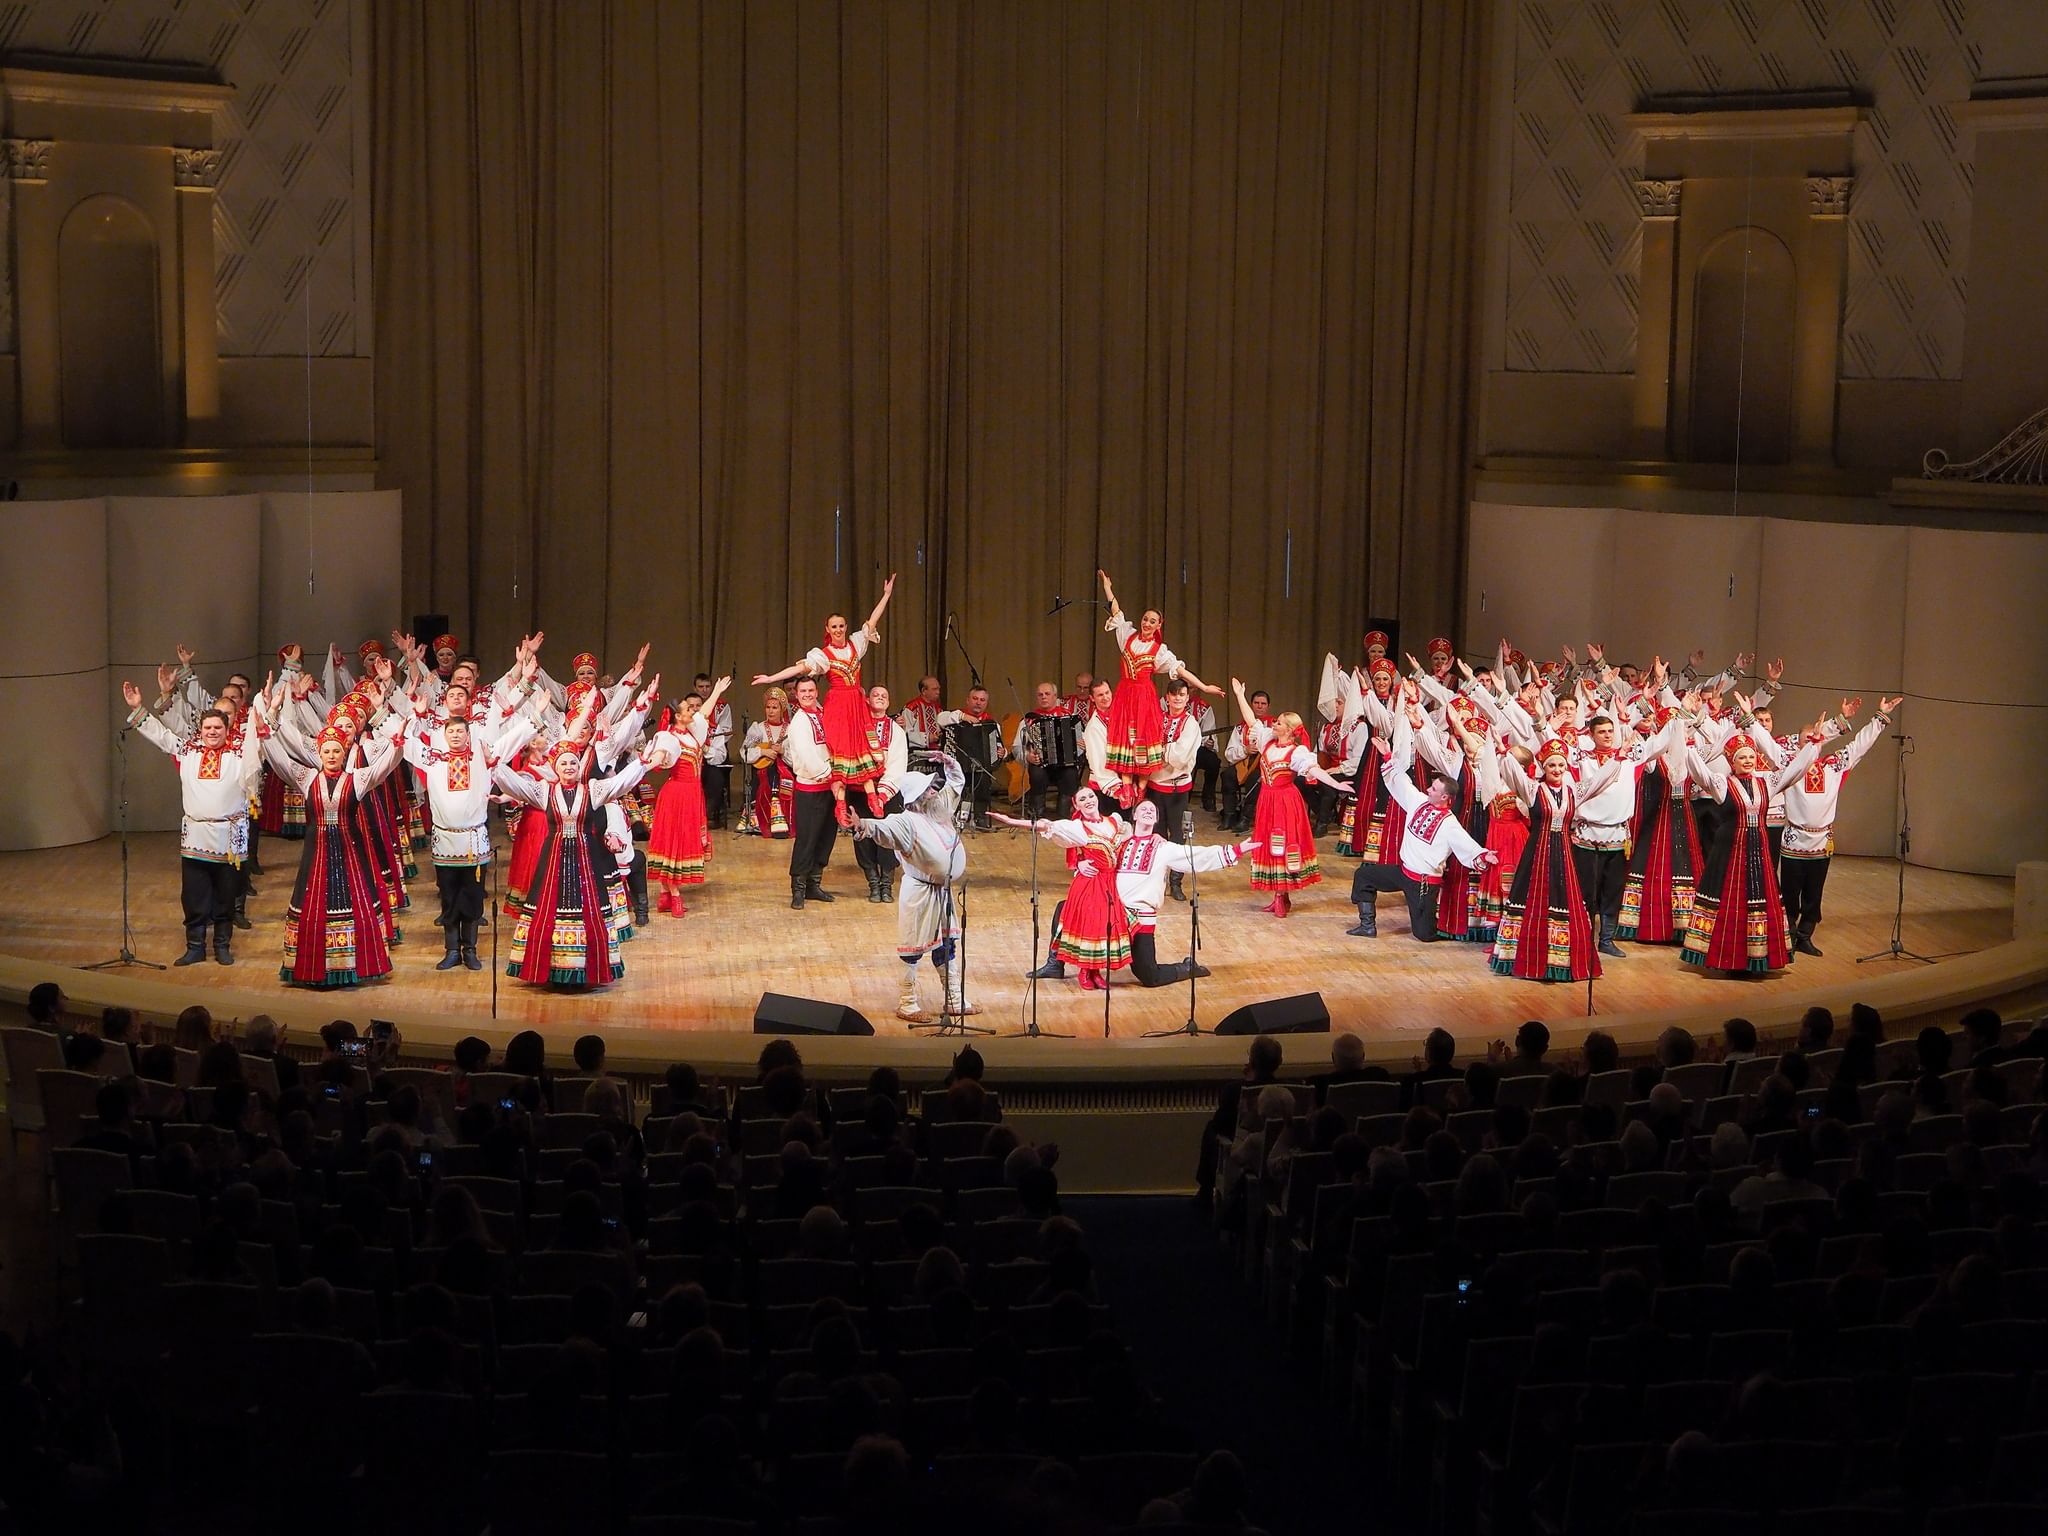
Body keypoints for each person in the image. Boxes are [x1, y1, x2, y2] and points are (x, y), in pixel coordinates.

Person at [252, 679, 404, 988]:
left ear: (344, 750)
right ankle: (311, 967)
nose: (331, 755)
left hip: (349, 849)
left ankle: (354, 965)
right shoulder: (307, 777)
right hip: (317, 850)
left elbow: (389, 762)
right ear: (319, 753)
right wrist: (268, 724)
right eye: (326, 751)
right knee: (313, 903)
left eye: (336, 750)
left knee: (354, 901)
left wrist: (395, 735)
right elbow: (280, 761)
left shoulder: (358, 779)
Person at [492, 704, 654, 989]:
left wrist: (642, 764)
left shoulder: (593, 790)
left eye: (574, 763)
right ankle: (551, 969)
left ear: (580, 768)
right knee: (548, 909)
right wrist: (495, 766)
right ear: (556, 768)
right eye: (564, 763)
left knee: (588, 909)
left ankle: (586, 969)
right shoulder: (545, 791)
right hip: (553, 858)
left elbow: (620, 782)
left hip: (584, 858)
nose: (569, 766)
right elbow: (515, 785)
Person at [404, 660, 541, 969]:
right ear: (444, 733)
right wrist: (411, 712)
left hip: (474, 842)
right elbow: (404, 740)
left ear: (468, 734)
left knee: (473, 896)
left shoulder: (482, 755)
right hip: (444, 842)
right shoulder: (433, 758)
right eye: (450, 732)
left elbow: (512, 738)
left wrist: (535, 712)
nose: (455, 736)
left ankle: (470, 950)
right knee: (449, 897)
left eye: (460, 733)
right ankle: (451, 950)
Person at [123, 678, 262, 966]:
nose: (212, 732)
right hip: (196, 836)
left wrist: (269, 706)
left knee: (226, 895)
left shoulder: (239, 754)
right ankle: (195, 947)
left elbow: (260, 739)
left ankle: (222, 946)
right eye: (208, 727)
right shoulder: (188, 751)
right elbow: (161, 735)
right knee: (194, 895)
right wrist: (139, 709)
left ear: (227, 729)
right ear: (201, 729)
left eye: (218, 728)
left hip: (229, 836)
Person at [751, 573, 899, 827]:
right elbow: (798, 669)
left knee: (860, 749)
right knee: (841, 753)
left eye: (842, 625)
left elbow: (872, 622)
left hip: (856, 704)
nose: (839, 630)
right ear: (828, 630)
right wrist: (770, 678)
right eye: (834, 627)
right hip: (839, 706)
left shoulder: (856, 644)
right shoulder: (824, 655)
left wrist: (885, 595)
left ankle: (873, 796)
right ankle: (840, 804)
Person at [1488, 734, 1636, 983]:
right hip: (1537, 854)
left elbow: (1598, 781)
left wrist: (1618, 757)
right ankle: (1526, 958)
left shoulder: (1573, 792)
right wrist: (1503, 752)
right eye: (1551, 765)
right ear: (1543, 768)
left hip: (1563, 854)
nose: (1556, 770)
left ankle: (1561, 960)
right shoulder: (1533, 789)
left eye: (1560, 765)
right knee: (1531, 900)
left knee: (1564, 900)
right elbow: (1514, 774)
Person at [1681, 725, 1822, 976]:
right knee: (1729, 898)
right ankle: (1728, 957)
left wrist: (1813, 745)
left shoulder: (1767, 782)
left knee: (1758, 898)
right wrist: (1688, 744)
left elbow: (1795, 770)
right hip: (1729, 850)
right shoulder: (1721, 783)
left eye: (1750, 757)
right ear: (1732, 762)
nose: (1747, 761)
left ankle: (1758, 957)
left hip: (1757, 848)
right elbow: (1699, 772)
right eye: (1741, 757)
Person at [1346, 710, 1497, 940]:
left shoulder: (1449, 824)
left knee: (1424, 935)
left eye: (1434, 789)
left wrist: (1484, 856)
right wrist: (1387, 756)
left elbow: (1468, 847)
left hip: (1423, 883)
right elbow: (1401, 782)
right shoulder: (1419, 802)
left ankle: (1432, 921)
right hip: (1403, 872)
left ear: (1446, 797)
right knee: (1364, 875)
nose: (1428, 790)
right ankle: (1367, 925)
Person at [846, 754, 976, 1021]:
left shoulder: (937, 809)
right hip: (919, 893)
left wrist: (949, 762)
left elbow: (955, 783)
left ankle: (953, 998)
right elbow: (881, 828)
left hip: (942, 892)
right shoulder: (905, 821)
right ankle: (908, 1003)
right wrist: (862, 825)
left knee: (947, 944)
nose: (934, 790)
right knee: (913, 950)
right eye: (928, 788)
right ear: (917, 796)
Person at [1774, 695, 1899, 957]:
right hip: (1794, 841)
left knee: (1814, 894)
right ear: (1798, 743)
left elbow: (1859, 746)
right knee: (1789, 892)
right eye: (1807, 738)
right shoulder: (1788, 765)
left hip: (1821, 842)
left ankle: (1805, 936)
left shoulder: (1834, 764)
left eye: (1816, 738)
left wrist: (1880, 718)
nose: (1812, 741)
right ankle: (1788, 937)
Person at [1094, 568, 1224, 808]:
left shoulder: (1160, 652)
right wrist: (1107, 587)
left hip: (1143, 695)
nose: (1146, 623)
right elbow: (1116, 611)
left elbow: (1181, 670)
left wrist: (1204, 686)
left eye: (1152, 621)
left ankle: (1141, 788)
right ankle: (1126, 787)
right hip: (1125, 693)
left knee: (1144, 738)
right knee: (1124, 736)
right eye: (1145, 619)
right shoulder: (1127, 636)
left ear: (1158, 625)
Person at [1228, 678, 1354, 918]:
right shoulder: (1267, 741)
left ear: (1289, 730)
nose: (1274, 724)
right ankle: (1280, 895)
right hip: (1268, 800)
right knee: (1270, 844)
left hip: (1286, 802)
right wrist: (1239, 695)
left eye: (1279, 723)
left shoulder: (1297, 752)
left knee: (1284, 846)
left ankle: (1280, 897)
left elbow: (1314, 770)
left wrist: (1336, 783)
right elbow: (1251, 721)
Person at [996, 787, 1131, 991]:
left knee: (1104, 925)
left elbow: (1131, 837)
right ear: (1076, 805)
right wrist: (1012, 821)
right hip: (1090, 883)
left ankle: (1096, 971)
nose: (1088, 801)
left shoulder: (1114, 821)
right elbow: (1045, 825)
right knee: (1090, 925)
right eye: (1082, 799)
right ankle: (1085, 970)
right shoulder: (1077, 828)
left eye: (1091, 796)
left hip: (1110, 883)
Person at [1111, 799, 1254, 986]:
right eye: (1143, 809)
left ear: (1156, 820)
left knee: (1148, 976)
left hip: (1141, 918)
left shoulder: (1163, 848)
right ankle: (1063, 962)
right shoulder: (1119, 844)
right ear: (1134, 816)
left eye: (1152, 810)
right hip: (1114, 913)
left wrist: (1237, 850)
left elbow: (1196, 856)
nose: (1148, 811)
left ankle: (1187, 968)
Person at [645, 676, 732, 917]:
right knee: (671, 843)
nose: (692, 711)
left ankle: (665, 894)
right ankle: (674, 896)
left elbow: (704, 713)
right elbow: (659, 755)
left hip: (692, 794)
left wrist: (716, 692)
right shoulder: (669, 737)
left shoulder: (693, 733)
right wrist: (651, 761)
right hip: (676, 795)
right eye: (687, 709)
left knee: (681, 842)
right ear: (677, 716)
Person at [780, 677, 839, 910]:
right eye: (802, 691)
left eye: (810, 690)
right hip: (811, 786)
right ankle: (799, 888)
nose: (807, 694)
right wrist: (828, 772)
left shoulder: (824, 713)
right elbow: (805, 754)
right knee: (807, 838)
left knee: (826, 837)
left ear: (817, 692)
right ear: (796, 694)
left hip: (831, 787)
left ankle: (814, 884)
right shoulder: (799, 722)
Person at [1146, 677, 1206, 900]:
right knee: (1157, 834)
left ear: (1187, 698)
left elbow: (1182, 756)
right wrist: (1162, 752)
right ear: (1167, 698)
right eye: (1174, 695)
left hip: (1177, 788)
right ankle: (1158, 878)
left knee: (1178, 836)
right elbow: (1146, 744)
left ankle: (1176, 881)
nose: (1178, 699)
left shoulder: (1190, 724)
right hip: (1155, 786)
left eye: (1182, 695)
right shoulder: (1158, 719)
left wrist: (1161, 752)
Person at [849, 684, 910, 904]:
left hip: (887, 793)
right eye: (876, 695)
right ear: (868, 700)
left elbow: (897, 764)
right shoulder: (855, 728)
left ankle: (887, 885)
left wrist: (882, 795)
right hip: (859, 790)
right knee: (863, 837)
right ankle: (873, 883)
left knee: (888, 838)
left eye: (884, 695)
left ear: (889, 702)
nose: (880, 698)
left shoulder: (896, 730)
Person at [1016, 679, 1080, 820]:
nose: (1043, 697)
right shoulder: (1029, 720)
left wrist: (1079, 750)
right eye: (1040, 695)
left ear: (1055, 696)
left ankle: (1064, 816)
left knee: (1070, 773)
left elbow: (1081, 743)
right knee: (1037, 773)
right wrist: (1027, 756)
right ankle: (1036, 815)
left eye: (1047, 693)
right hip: (1041, 765)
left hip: (1064, 765)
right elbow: (1016, 748)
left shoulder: (1069, 717)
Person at [739, 686, 795, 838]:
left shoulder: (791, 730)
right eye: (768, 707)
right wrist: (763, 752)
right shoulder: (758, 728)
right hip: (763, 772)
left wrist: (782, 752)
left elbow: (798, 757)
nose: (770, 711)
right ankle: (761, 821)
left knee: (779, 774)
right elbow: (744, 752)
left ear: (782, 709)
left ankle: (783, 822)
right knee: (768, 774)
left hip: (786, 772)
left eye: (775, 707)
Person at [690, 671, 734, 830]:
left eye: (708, 686)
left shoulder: (722, 706)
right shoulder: (685, 712)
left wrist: (710, 745)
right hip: (690, 759)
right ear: (694, 688)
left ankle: (709, 813)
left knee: (716, 774)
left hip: (714, 749)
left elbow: (726, 732)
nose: (704, 690)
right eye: (700, 687)